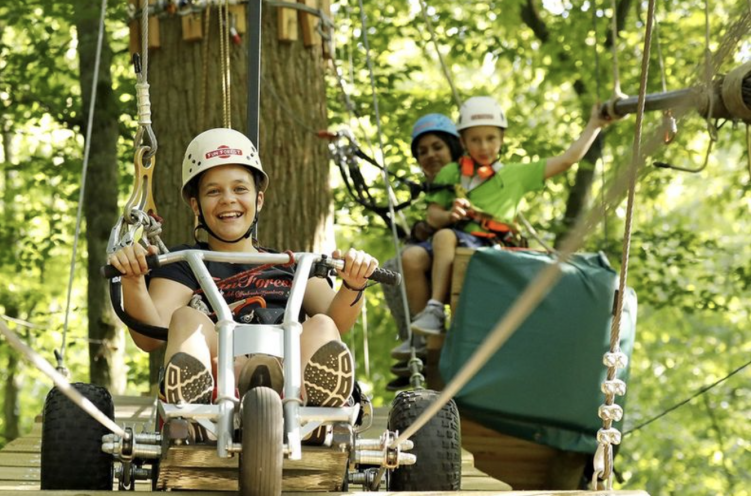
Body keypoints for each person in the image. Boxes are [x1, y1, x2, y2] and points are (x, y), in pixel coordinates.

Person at [108, 127, 379, 411]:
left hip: (290, 372)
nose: (228, 199)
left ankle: (316, 412)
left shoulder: (293, 265)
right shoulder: (183, 263)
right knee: (188, 319)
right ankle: (194, 406)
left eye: (240, 189)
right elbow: (151, 335)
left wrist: (353, 284)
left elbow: (337, 322)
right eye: (213, 192)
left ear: (258, 199)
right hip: (218, 372)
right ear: (196, 205)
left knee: (322, 325)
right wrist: (134, 281)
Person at [409, 96, 614, 336]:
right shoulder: (451, 173)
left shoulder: (515, 174)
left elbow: (567, 160)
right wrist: (449, 214)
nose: (484, 146)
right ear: (463, 141)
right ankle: (422, 331)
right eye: (475, 140)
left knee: (443, 237)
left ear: (502, 139)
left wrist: (594, 125)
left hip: (492, 245)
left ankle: (434, 308)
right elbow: (433, 215)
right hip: (454, 242)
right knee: (412, 256)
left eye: (491, 138)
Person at [384, 113, 463, 389]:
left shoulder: (468, 174)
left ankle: (424, 338)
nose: (430, 155)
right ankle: (420, 335)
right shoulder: (432, 189)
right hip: (435, 252)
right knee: (405, 259)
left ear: (453, 147)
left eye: (437, 147)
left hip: (463, 245)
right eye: (422, 152)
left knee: (398, 263)